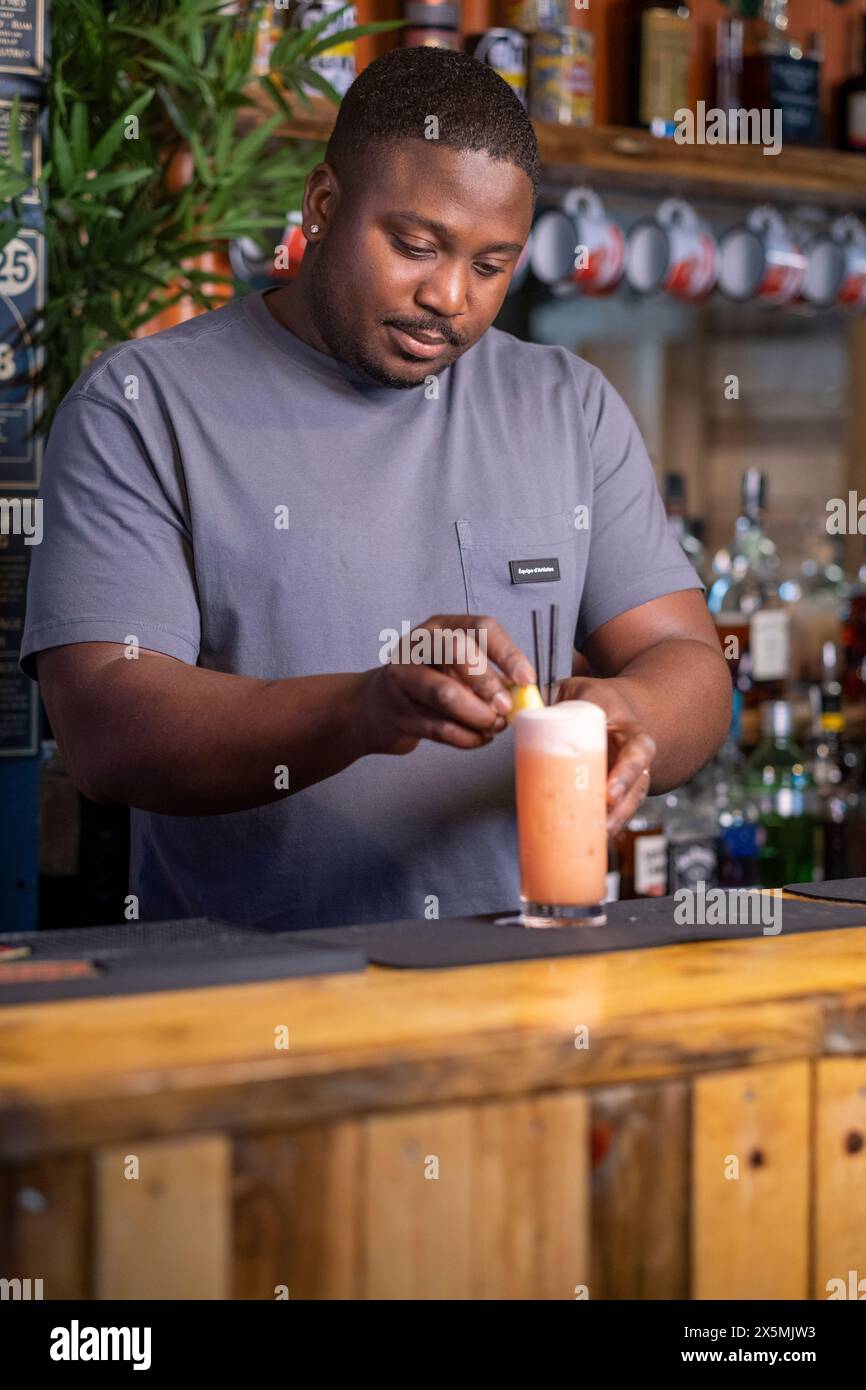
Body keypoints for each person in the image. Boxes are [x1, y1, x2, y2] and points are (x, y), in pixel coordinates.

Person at [21, 47, 730, 929]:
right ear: (323, 206)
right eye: (415, 245)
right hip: (252, 999)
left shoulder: (567, 405)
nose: (449, 297)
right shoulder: (143, 405)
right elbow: (105, 728)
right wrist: (364, 706)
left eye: (490, 265)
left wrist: (636, 716)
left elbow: (691, 661)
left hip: (527, 976)